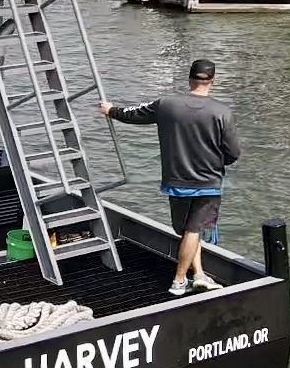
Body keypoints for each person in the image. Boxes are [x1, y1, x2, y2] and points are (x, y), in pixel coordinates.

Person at [100, 59, 240, 296]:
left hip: (176, 181)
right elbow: (233, 152)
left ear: (189, 79)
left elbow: (134, 114)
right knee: (193, 231)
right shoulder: (222, 112)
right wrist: (219, 163)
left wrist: (111, 111)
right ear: (213, 81)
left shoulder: (166, 104)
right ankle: (179, 281)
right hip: (208, 183)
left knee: (187, 230)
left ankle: (199, 275)